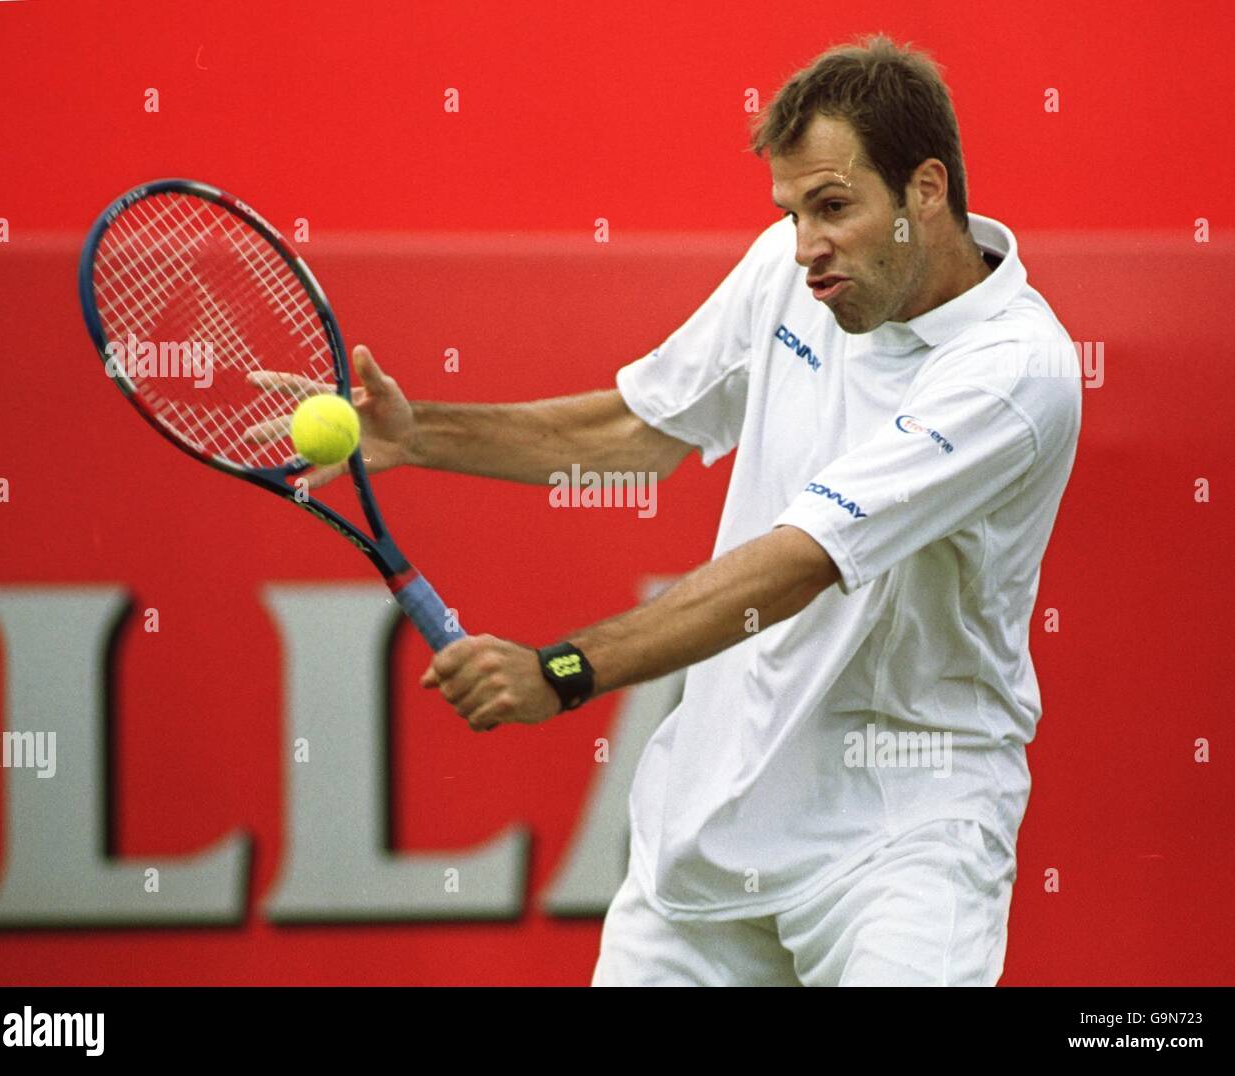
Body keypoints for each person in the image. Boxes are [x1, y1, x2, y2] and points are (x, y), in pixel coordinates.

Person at [255, 33, 1081, 985]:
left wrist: (563, 670)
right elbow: (640, 429)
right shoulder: (792, 270)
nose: (806, 245)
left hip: (906, 839)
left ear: (926, 191)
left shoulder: (1017, 370)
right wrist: (421, 433)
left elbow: (797, 562)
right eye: (792, 210)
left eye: (835, 208)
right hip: (712, 833)